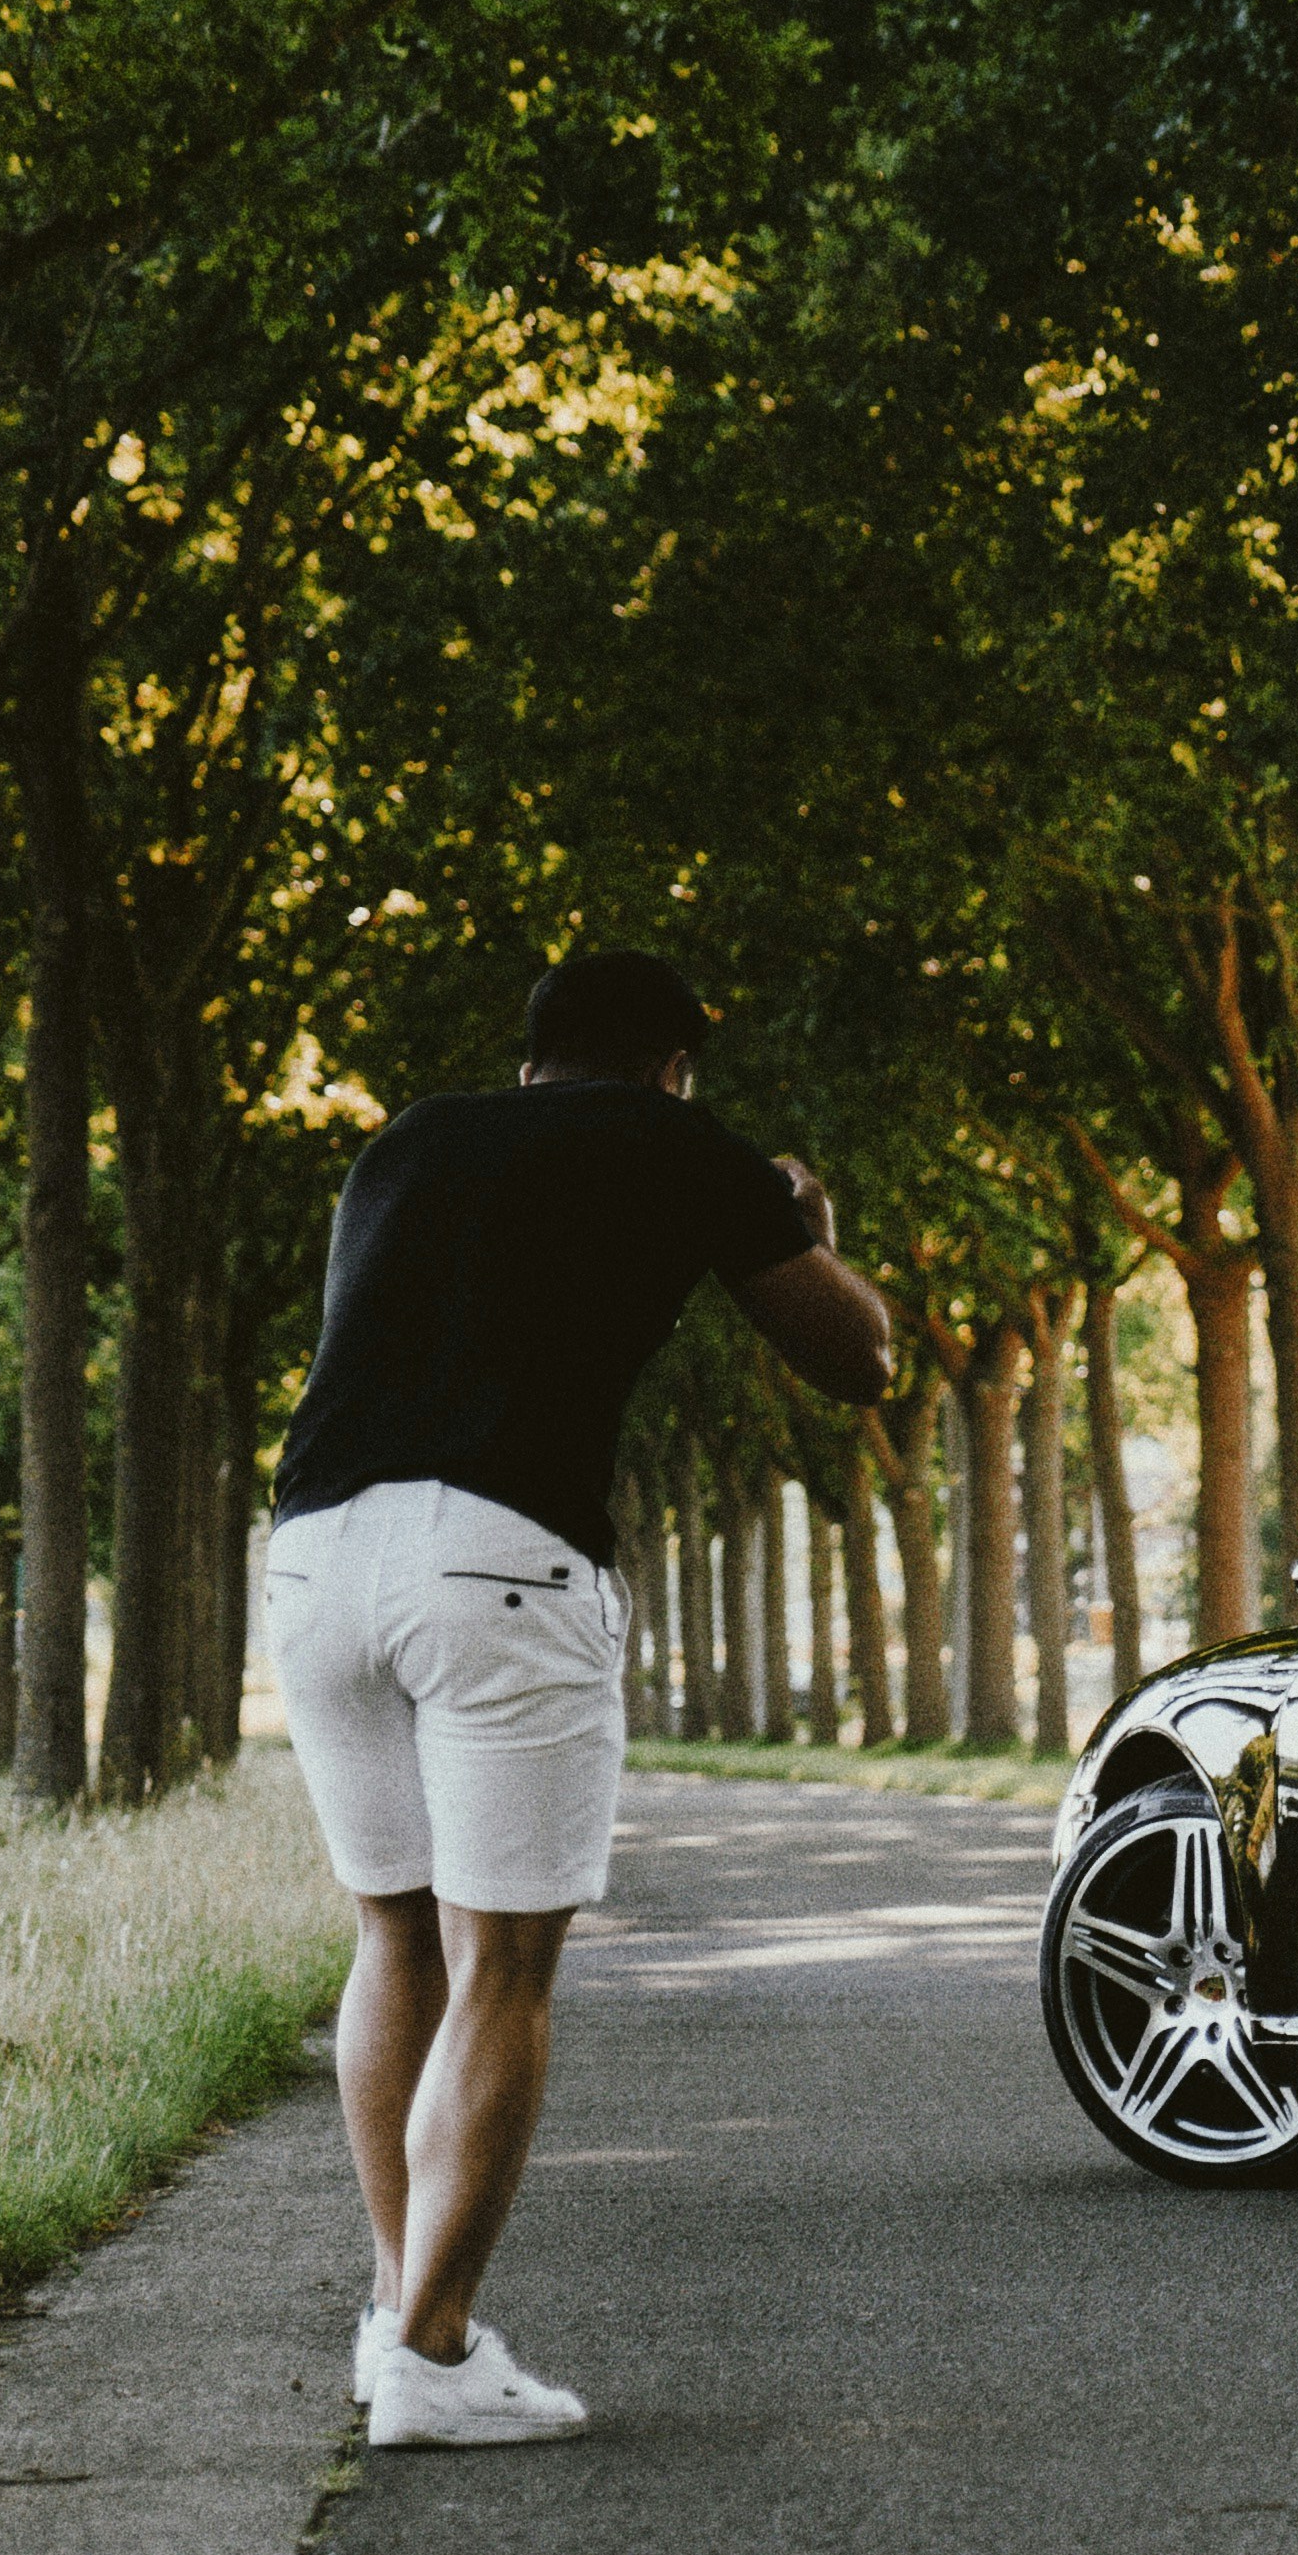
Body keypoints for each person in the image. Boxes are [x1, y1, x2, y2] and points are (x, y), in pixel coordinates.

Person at [262, 948, 901, 2447]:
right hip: (497, 1557)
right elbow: (858, 1359)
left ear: (535, 1050)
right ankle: (432, 2349)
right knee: (506, 1969)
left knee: (394, 1934)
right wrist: (807, 1225)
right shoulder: (682, 1145)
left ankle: (392, 2316)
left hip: (310, 1558)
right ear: (674, 1065)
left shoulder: (406, 1140)